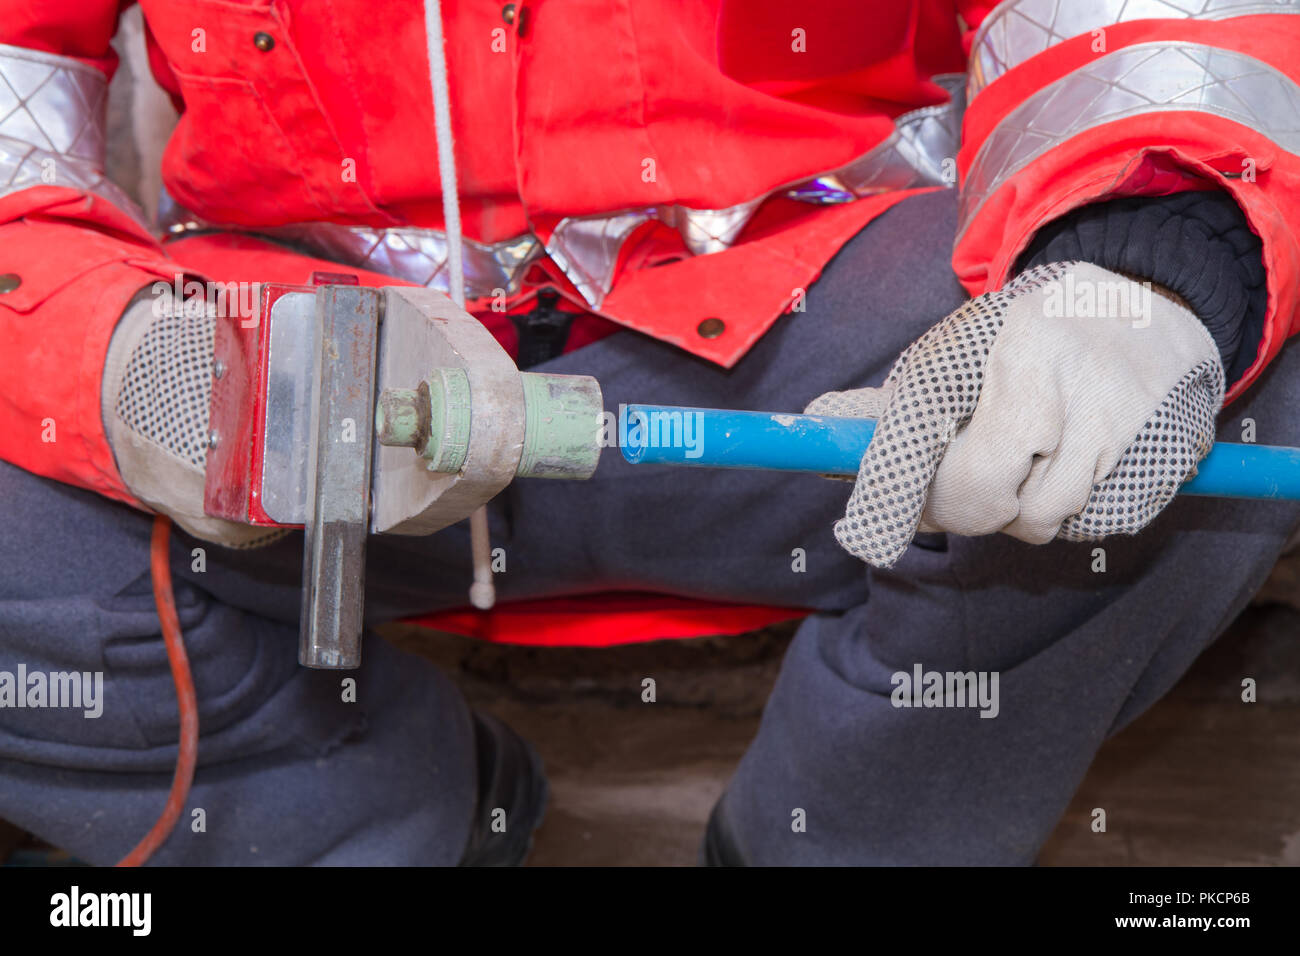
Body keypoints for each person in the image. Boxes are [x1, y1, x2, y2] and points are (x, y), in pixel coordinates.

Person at [1, 0, 1298, 865]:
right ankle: (374, 823)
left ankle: (847, 839)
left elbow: (1149, 20)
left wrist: (1144, 248)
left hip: (817, 340)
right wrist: (115, 359)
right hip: (327, 384)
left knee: (1183, 398)